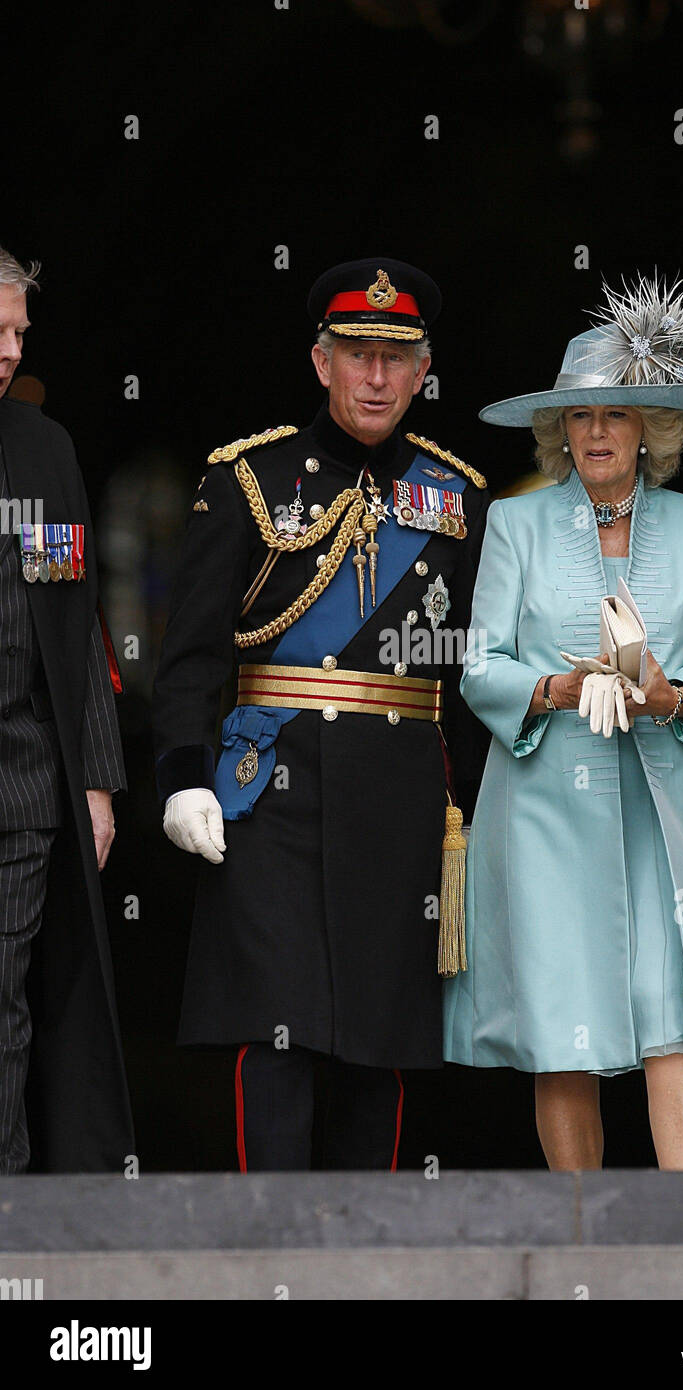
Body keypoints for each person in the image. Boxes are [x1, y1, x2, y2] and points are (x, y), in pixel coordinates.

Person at [152, 257, 489, 1170]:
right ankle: (273, 1258)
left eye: (396, 356)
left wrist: (487, 818)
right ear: (320, 362)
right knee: (275, 1038)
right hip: (270, 800)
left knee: (382, 1050)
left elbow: (471, 683)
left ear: (424, 370)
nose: (376, 377)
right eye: (356, 355)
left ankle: (364, 1266)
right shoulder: (247, 479)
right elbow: (188, 661)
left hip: (402, 806)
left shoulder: (459, 500)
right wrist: (183, 779)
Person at [444, 274, 683, 1171]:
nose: (597, 434)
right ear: (560, 434)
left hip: (665, 804)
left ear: (651, 429)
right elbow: (480, 667)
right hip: (545, 803)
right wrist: (558, 688)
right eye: (579, 419)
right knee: (563, 1018)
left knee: (674, 1012)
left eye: (616, 415)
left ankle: (682, 1225)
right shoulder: (517, 524)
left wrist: (668, 695)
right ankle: (583, 1238)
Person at [0, 245, 133, 1173]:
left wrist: (93, 779)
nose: (10, 350)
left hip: (21, 783)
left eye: (18, 332)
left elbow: (74, 612)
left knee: (3, 1010)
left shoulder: (44, 452)